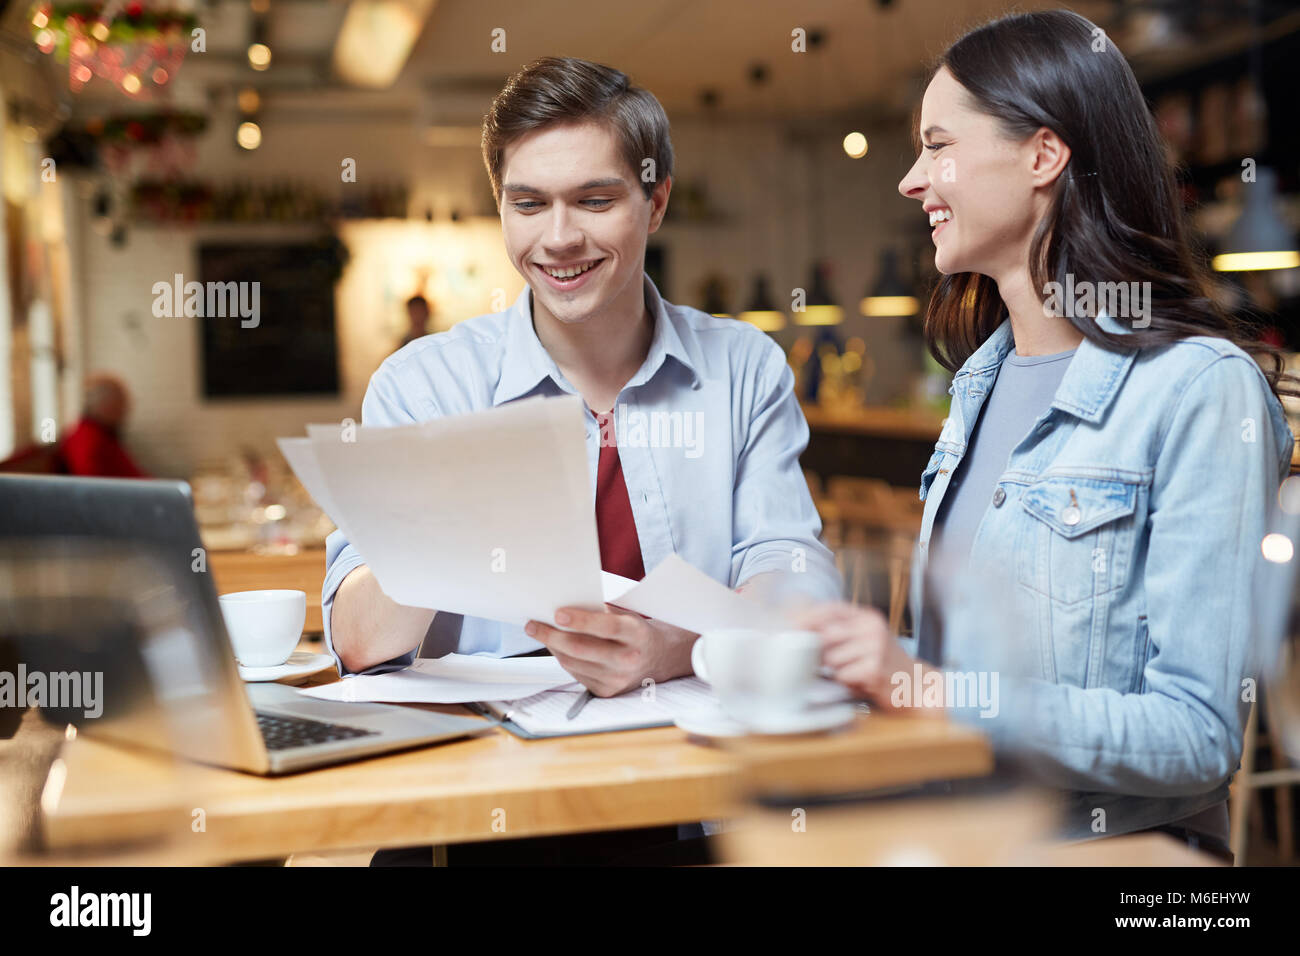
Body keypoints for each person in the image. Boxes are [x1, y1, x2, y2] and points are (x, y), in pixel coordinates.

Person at [798, 9, 1296, 864]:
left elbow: (1197, 731)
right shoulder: (979, 382)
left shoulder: (1197, 388)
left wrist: (925, 686)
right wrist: (853, 659)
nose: (912, 181)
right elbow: (978, 674)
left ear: (1043, 154)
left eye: (939, 146)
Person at [323, 56, 840, 864]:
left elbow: (790, 568)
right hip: (472, 814)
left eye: (594, 201)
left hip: (687, 800)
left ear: (655, 199)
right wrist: (445, 506)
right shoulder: (427, 384)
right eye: (528, 204)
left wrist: (680, 646)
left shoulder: (743, 368)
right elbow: (357, 642)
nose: (558, 238)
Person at [59, 373, 150, 478]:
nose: (124, 411)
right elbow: (94, 485)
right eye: (119, 404)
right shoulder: (87, 439)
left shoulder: (102, 434)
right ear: (105, 405)